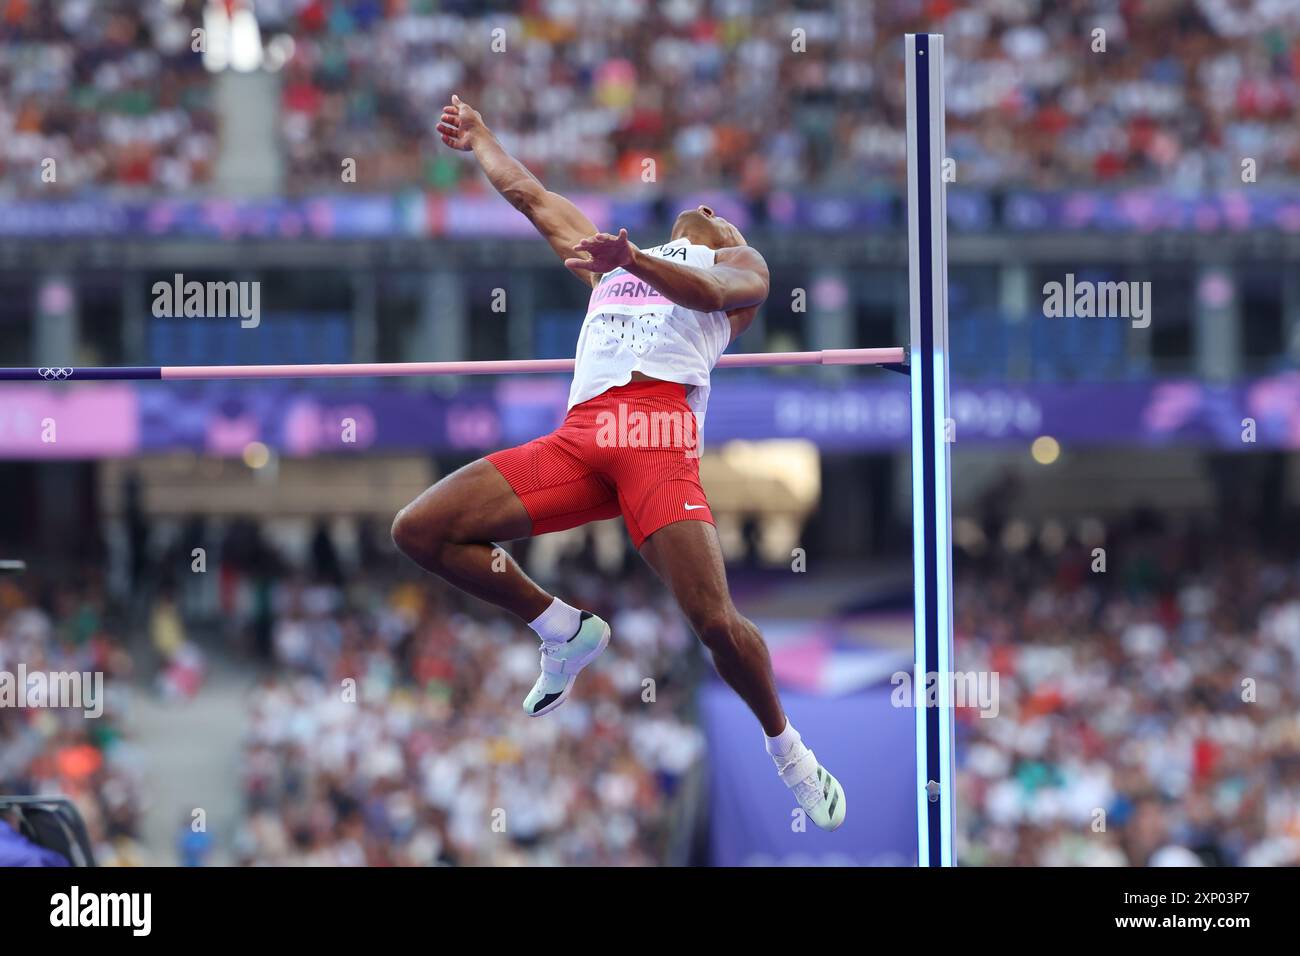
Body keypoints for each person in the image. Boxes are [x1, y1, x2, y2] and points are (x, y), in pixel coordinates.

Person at [391, 96, 845, 831]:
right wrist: (480, 139)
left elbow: (714, 290)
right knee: (420, 529)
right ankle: (562, 629)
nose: (705, 210)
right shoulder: (610, 260)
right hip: (579, 438)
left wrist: (631, 258)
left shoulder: (737, 262)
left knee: (714, 624)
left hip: (657, 440)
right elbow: (530, 196)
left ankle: (789, 749)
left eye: (720, 213)